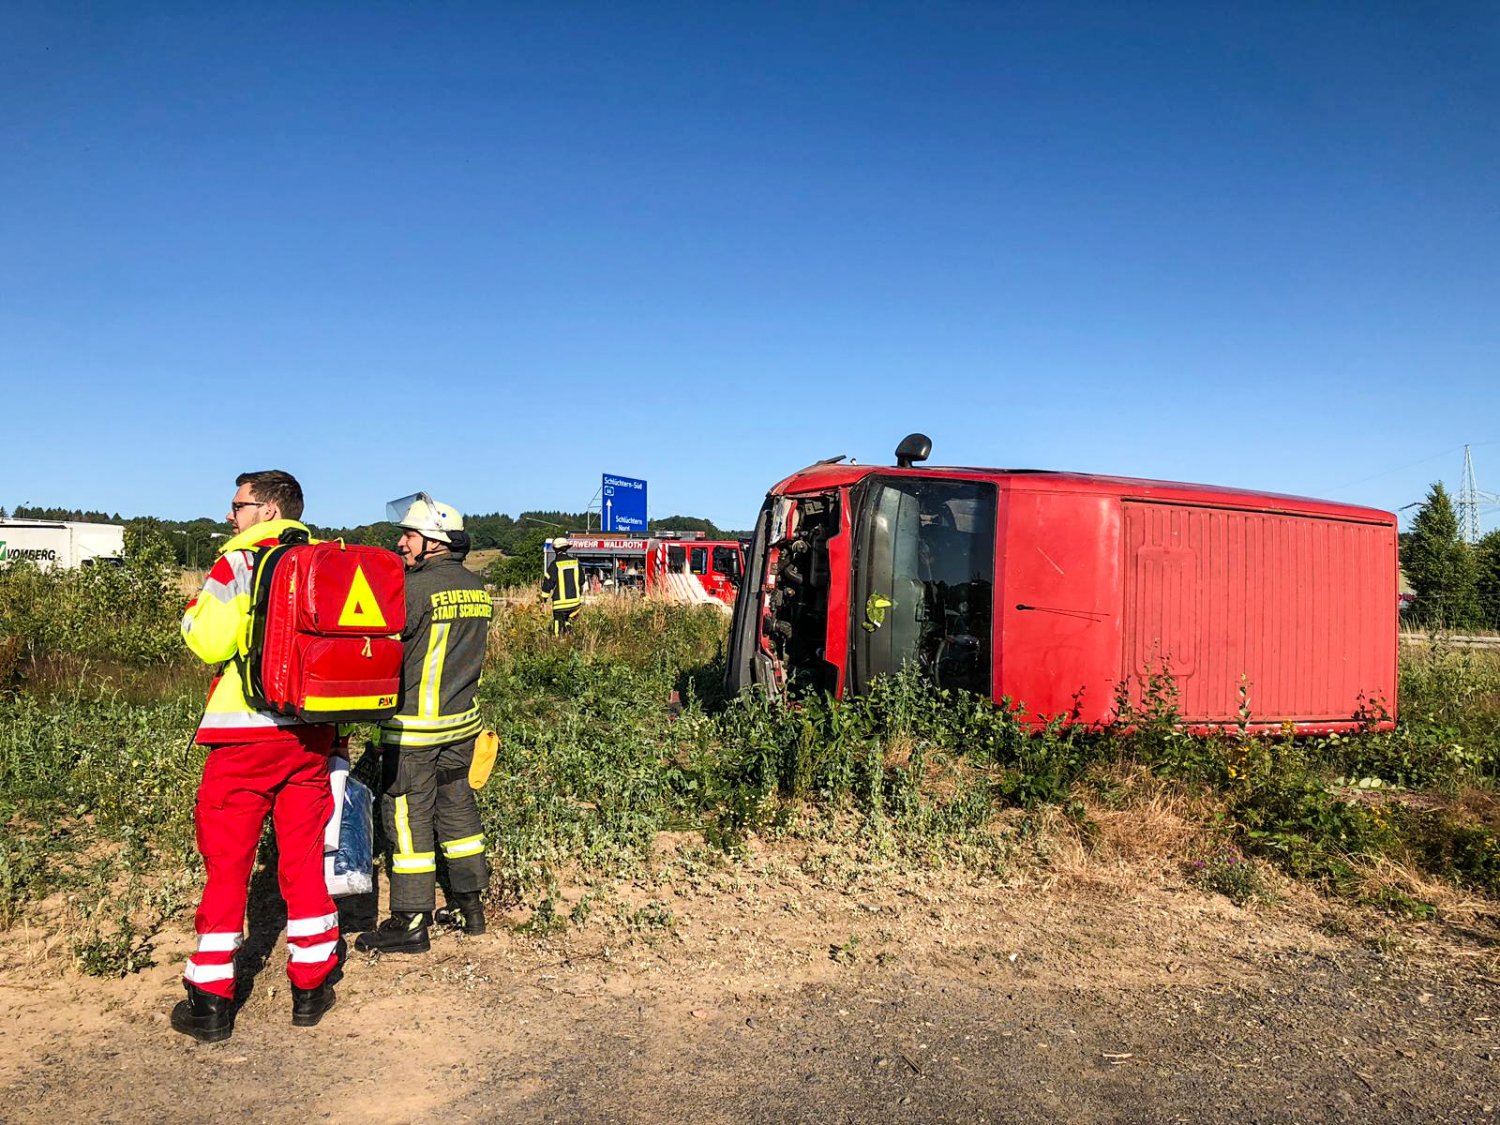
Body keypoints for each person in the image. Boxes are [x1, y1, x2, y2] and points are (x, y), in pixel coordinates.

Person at [173, 470, 340, 1043]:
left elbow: (208, 643)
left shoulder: (239, 563)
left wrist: (194, 609)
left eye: (239, 504)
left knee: (228, 866)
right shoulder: (328, 561)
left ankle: (211, 999)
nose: (231, 515)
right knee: (304, 860)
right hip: (312, 736)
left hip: (244, 736)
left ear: (269, 510)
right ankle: (311, 986)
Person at [355, 493, 492, 954]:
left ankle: (411, 920)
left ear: (434, 542)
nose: (401, 544)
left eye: (409, 536)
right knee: (458, 809)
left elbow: (381, 651)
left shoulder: (412, 591)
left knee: (407, 818)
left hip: (413, 730)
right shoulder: (477, 588)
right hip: (461, 727)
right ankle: (470, 907)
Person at [540, 537, 583, 634]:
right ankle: (569, 631)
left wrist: (543, 600)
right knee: (568, 621)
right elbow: (582, 580)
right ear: (567, 548)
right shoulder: (576, 563)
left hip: (560, 604)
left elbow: (547, 584)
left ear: (555, 549)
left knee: (558, 628)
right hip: (575, 603)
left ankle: (558, 640)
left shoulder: (554, 564)